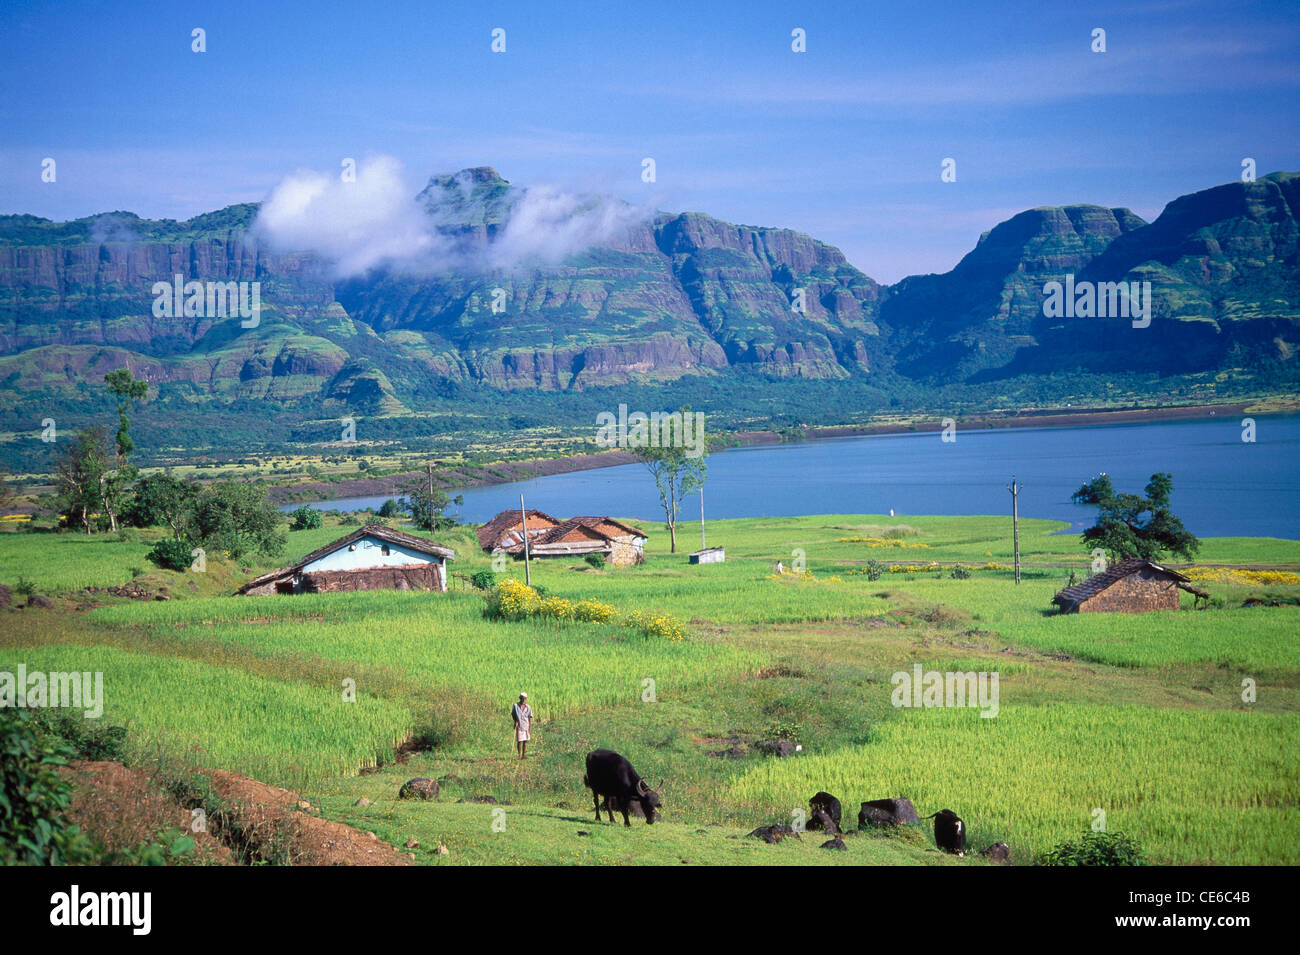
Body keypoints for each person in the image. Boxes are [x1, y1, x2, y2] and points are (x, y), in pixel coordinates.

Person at [512, 692, 533, 759]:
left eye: (524, 699)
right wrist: (515, 721)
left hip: (526, 725)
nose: (523, 700)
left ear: (526, 699)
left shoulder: (528, 707)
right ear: (520, 698)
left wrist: (529, 727)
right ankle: (519, 755)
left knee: (525, 741)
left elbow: (529, 717)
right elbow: (513, 714)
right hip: (519, 725)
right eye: (522, 698)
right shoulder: (515, 706)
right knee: (519, 741)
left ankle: (523, 755)